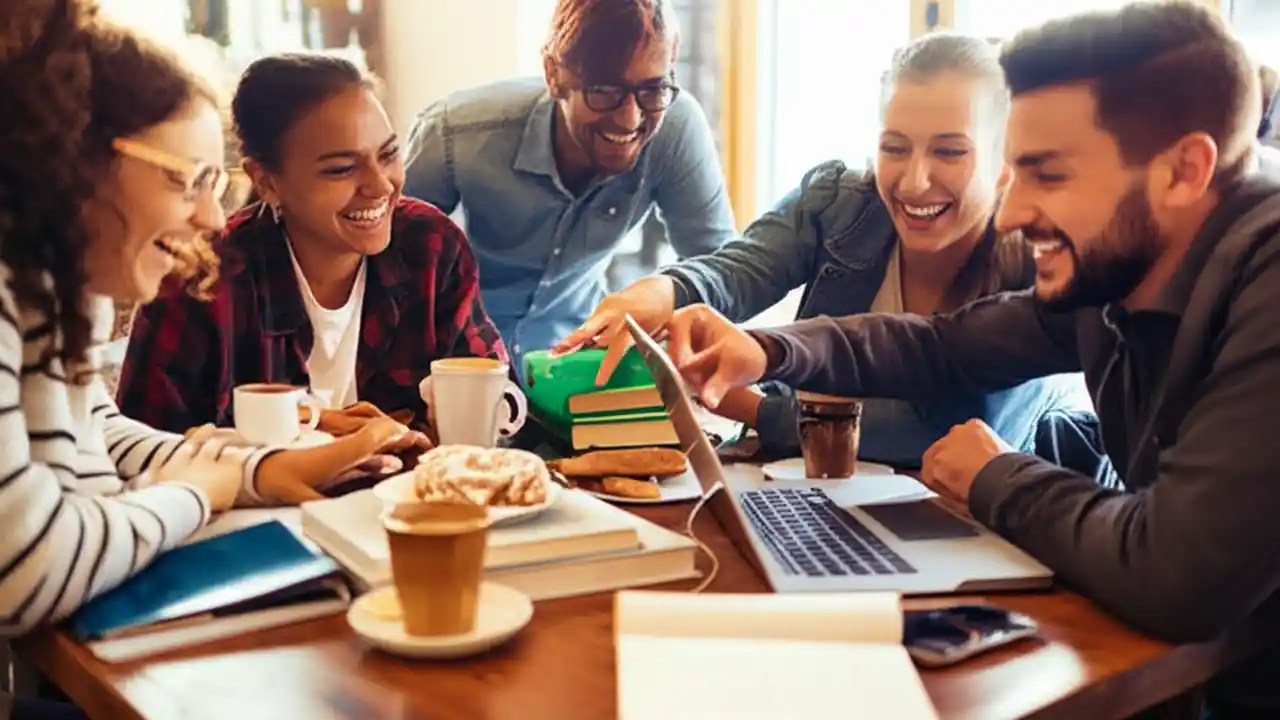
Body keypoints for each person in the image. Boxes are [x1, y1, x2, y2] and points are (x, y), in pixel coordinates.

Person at [655, 2, 1280, 714]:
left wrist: (997, 476)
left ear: (1183, 170)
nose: (1009, 215)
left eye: (1047, 175)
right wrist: (767, 348)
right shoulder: (1121, 260)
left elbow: (1179, 576)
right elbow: (945, 345)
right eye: (1015, 173)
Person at [0, 3, 410, 714]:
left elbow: (101, 436)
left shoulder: (60, 291)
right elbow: (29, 570)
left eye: (214, 186)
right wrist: (197, 494)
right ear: (73, 163)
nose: (214, 219)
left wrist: (256, 470)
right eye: (186, 181)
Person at [560, 32, 1097, 470]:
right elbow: (742, 268)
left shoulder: (1040, 265)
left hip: (977, 526)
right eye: (894, 147)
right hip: (819, 490)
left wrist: (743, 402)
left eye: (950, 151)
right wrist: (662, 291)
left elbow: (943, 433)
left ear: (1004, 163)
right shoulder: (842, 202)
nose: (914, 181)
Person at [118, 54, 505, 437]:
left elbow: (494, 383)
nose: (381, 185)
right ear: (267, 181)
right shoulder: (200, 279)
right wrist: (305, 429)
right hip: (247, 500)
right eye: (341, 169)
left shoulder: (431, 246)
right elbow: (146, 453)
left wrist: (488, 407)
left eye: (388, 154)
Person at [403, 0, 735, 370]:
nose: (630, 118)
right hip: (458, 369)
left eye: (652, 89)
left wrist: (666, 293)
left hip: (578, 368)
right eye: (605, 91)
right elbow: (385, 269)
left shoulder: (674, 128)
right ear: (553, 74)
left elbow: (723, 269)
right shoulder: (454, 135)